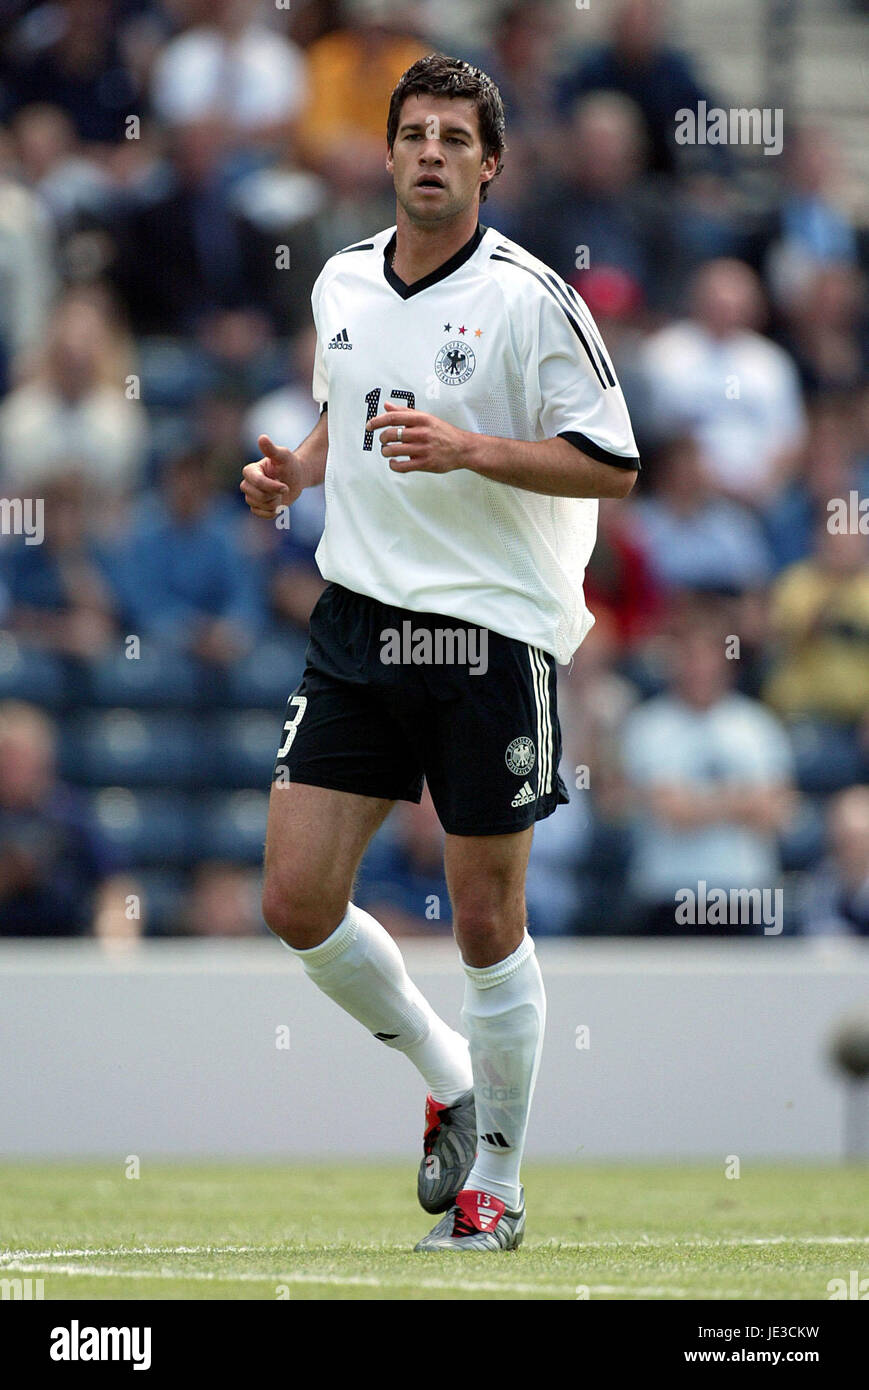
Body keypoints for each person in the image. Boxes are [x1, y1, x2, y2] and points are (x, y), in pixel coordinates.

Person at [240, 54, 639, 1252]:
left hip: (487, 631)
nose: (428, 153)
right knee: (295, 898)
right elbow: (345, 403)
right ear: (386, 151)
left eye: (453, 139)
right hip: (359, 622)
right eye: (412, 133)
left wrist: (471, 451)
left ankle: (496, 1192)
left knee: (481, 921)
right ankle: (447, 1072)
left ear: (489, 162)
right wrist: (296, 471)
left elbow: (613, 463)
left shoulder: (529, 297)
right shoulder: (342, 280)